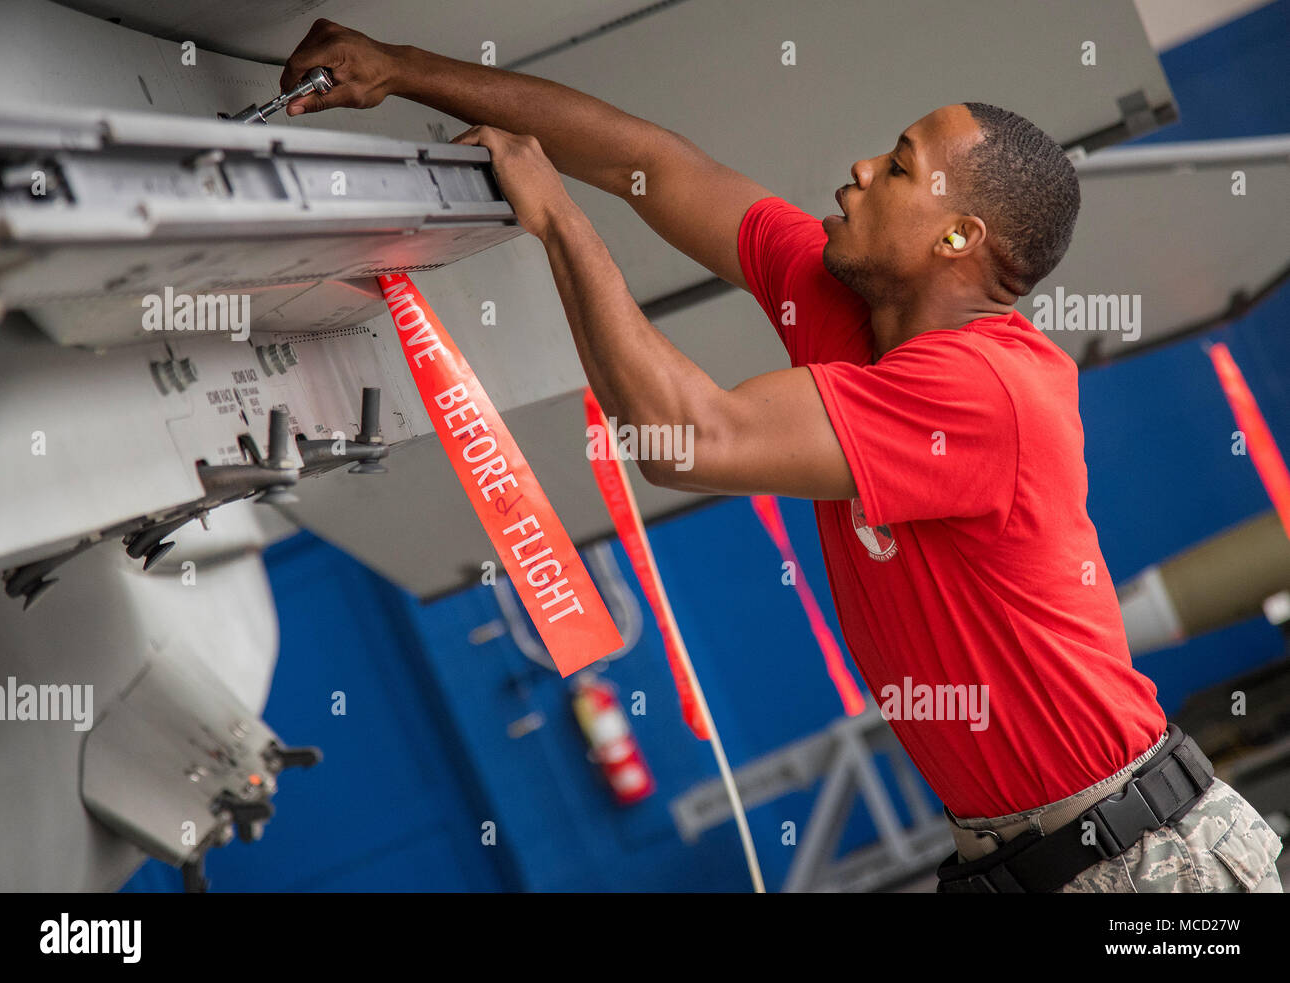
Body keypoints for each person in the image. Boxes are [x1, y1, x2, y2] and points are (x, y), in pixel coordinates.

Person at [280, 19, 1284, 893]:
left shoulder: (987, 389)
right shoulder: (852, 304)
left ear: (957, 236)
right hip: (1026, 859)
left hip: (1151, 860)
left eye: (895, 167)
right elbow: (652, 163)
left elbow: (690, 440)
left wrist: (553, 219)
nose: (858, 171)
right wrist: (398, 67)